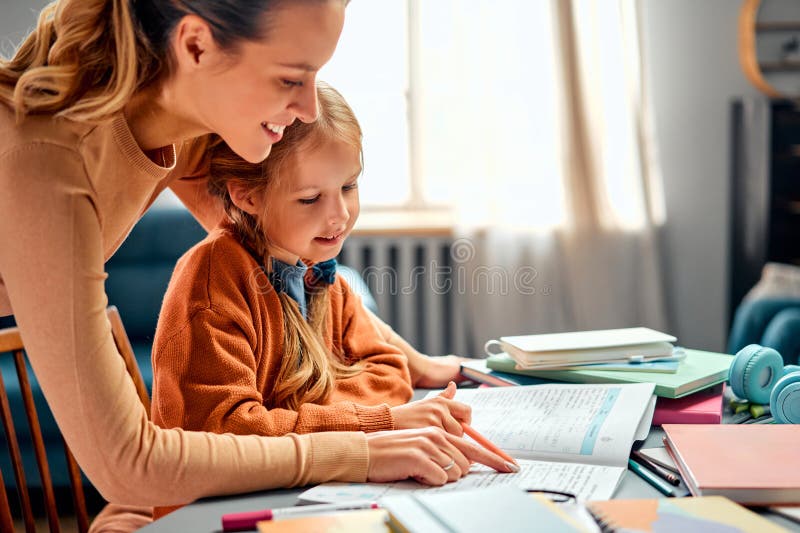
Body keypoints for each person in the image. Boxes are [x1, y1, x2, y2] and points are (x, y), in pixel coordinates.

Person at [0, 0, 517, 526]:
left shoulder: (180, 126)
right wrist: (363, 448)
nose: (309, 108)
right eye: (291, 78)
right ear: (196, 45)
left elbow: (284, 262)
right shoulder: (45, 167)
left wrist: (414, 362)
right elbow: (129, 464)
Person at [150, 81, 482, 517]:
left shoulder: (318, 271)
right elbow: (226, 436)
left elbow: (390, 373)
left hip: (303, 494)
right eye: (310, 198)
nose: (340, 215)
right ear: (247, 195)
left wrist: (290, 417)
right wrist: (377, 421)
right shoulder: (213, 282)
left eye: (349, 186)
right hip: (214, 513)